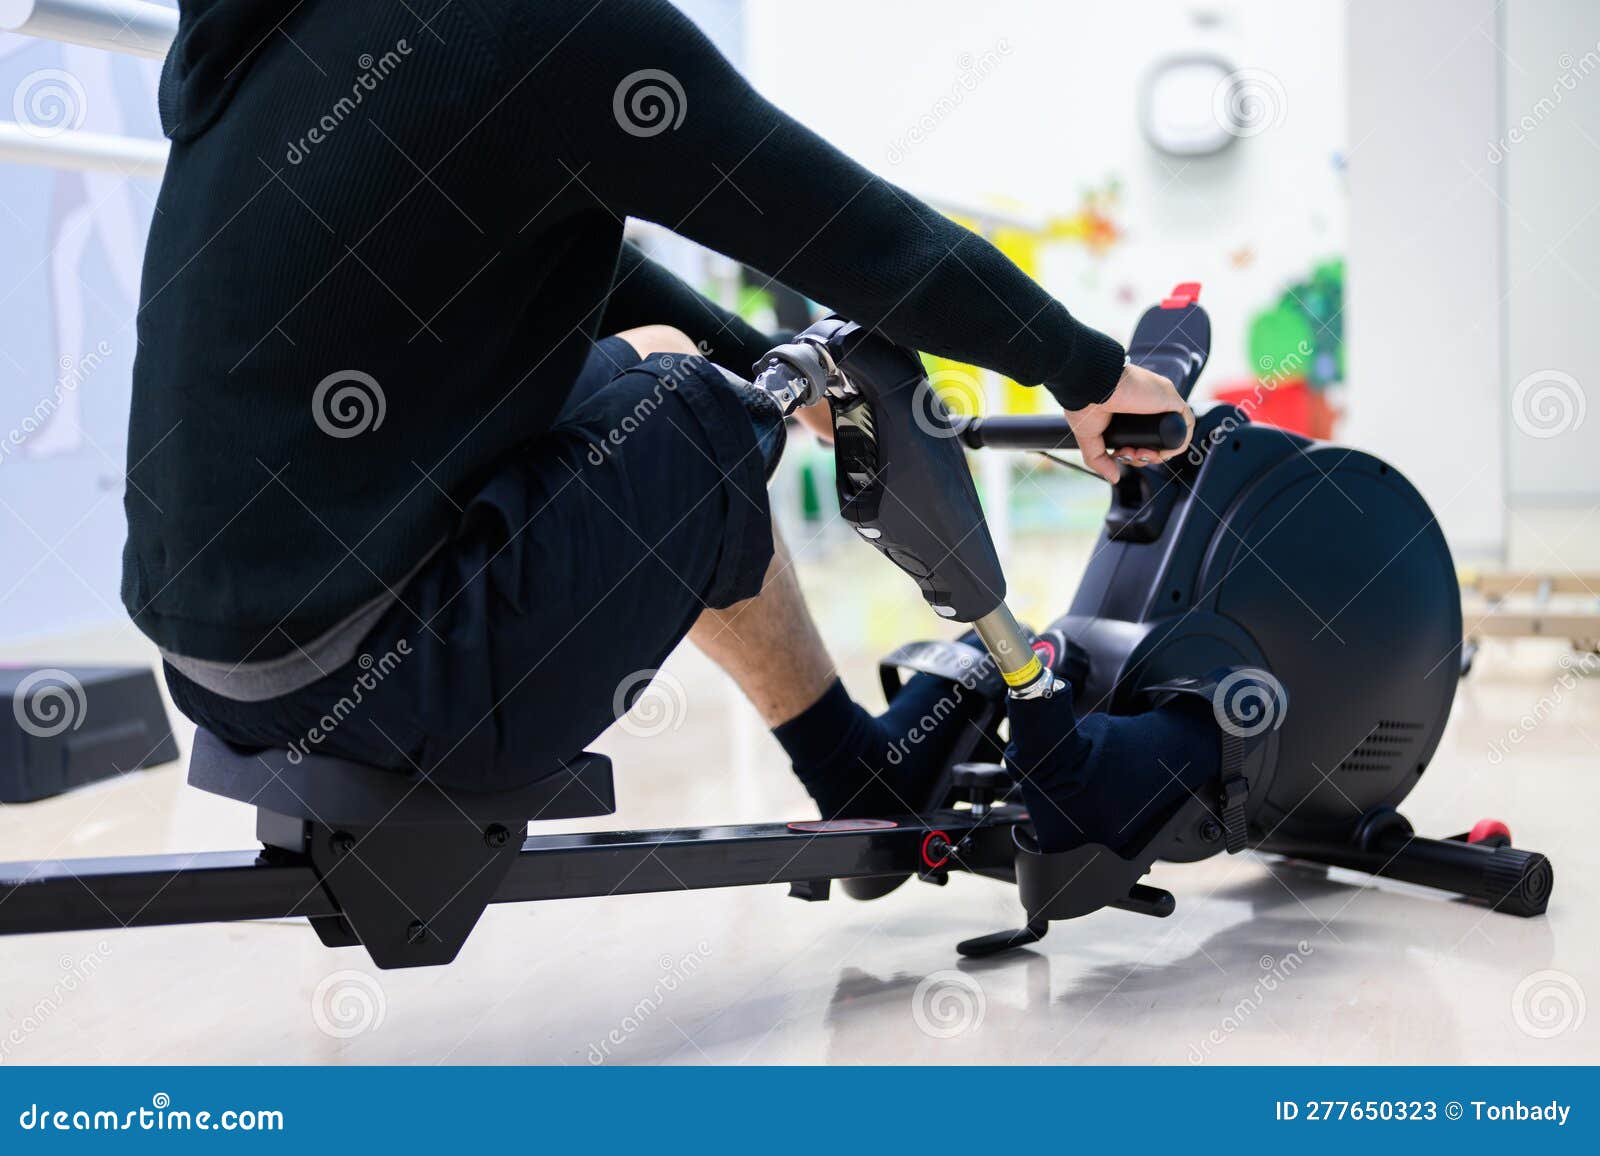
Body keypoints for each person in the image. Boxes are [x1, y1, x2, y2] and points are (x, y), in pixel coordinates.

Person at [126, 0, 1218, 864]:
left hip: (214, 669)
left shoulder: (289, 35)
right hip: (397, 680)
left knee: (657, 364)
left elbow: (561, 258)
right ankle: (858, 765)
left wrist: (774, 367)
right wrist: (1086, 372)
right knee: (682, 408)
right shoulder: (540, 21)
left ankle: (850, 765)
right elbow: (850, 232)